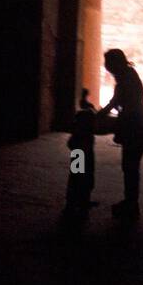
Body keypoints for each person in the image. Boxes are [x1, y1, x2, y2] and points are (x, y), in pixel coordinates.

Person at [99, 48, 143, 221]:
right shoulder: (128, 75)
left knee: (130, 167)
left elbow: (117, 102)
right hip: (138, 126)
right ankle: (131, 203)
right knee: (130, 167)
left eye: (109, 64)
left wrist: (99, 116)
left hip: (135, 127)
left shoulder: (126, 79)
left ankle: (131, 204)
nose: (107, 68)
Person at [64, 87, 98, 217]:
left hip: (80, 152)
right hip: (83, 153)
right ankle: (77, 203)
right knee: (82, 177)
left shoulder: (78, 138)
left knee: (78, 176)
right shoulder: (84, 139)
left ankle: (75, 202)